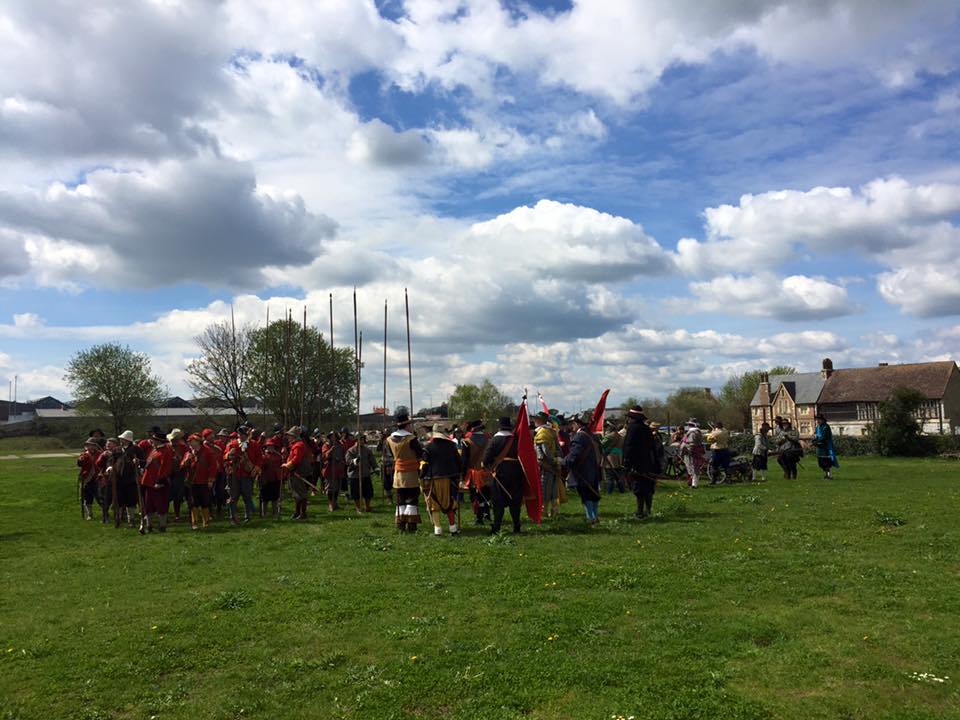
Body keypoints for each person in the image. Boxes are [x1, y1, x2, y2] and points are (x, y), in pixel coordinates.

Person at [482, 416, 525, 534]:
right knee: (515, 501)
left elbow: (486, 459)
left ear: (499, 426)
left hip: (500, 473)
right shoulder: (516, 439)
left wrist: (489, 465)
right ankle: (517, 526)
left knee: (498, 502)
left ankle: (497, 527)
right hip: (516, 472)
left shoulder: (494, 440)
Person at [386, 412, 424, 533]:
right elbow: (420, 454)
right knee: (412, 498)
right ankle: (412, 525)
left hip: (398, 473)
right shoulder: (411, 439)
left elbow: (392, 455)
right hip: (411, 472)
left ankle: (401, 524)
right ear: (406, 426)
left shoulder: (389, 440)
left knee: (400, 499)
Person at [564, 412, 603, 525]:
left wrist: (563, 461)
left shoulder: (580, 436)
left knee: (586, 494)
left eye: (573, 423)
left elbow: (574, 455)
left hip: (584, 470)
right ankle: (595, 516)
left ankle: (590, 518)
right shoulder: (592, 434)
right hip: (594, 469)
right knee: (593, 493)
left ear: (577, 423)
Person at [421, 424, 460, 536]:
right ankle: (452, 527)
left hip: (434, 479)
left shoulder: (428, 448)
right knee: (450, 503)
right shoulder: (452, 445)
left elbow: (424, 464)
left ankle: (437, 529)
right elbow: (458, 461)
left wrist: (422, 477)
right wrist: (459, 475)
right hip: (449, 478)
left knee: (434, 504)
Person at [622, 406, 658, 519]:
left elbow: (629, 446)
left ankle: (640, 512)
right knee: (648, 486)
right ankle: (648, 510)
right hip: (648, 462)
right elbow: (653, 446)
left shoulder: (632, 428)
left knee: (639, 488)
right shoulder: (646, 428)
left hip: (636, 463)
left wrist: (627, 463)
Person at [223, 425, 262, 524]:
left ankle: (248, 517)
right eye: (240, 434)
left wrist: (256, 468)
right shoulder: (232, 444)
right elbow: (225, 456)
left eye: (243, 434)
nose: (241, 436)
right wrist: (229, 455)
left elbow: (259, 459)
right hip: (234, 474)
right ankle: (233, 517)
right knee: (233, 497)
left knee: (247, 496)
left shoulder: (254, 444)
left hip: (247, 475)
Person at [139, 427, 173, 534]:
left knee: (161, 505)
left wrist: (160, 481)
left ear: (158, 441)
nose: (151, 441)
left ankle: (162, 526)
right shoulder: (154, 450)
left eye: (153, 440)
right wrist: (139, 462)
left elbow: (165, 468)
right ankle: (149, 525)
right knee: (149, 505)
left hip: (158, 483)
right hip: (149, 482)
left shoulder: (166, 452)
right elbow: (148, 463)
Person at [181, 433, 217, 529]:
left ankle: (206, 522)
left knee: (205, 502)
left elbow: (213, 466)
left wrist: (210, 479)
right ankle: (194, 522)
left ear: (198, 442)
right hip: (192, 481)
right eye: (189, 442)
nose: (190, 444)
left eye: (192, 442)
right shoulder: (188, 453)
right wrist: (186, 461)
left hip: (204, 481)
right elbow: (182, 466)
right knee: (193, 503)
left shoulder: (208, 452)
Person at [461, 420, 492, 525]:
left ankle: (479, 518)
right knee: (486, 494)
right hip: (487, 472)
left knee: (475, 496)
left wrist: (462, 475)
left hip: (473, 473)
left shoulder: (466, 441)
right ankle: (487, 514)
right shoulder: (489, 440)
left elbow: (464, 461)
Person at [283, 426, 314, 520]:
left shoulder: (298, 445)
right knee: (296, 493)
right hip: (295, 471)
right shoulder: (295, 444)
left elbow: (296, 459)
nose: (289, 437)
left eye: (290, 435)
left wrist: (287, 465)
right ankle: (297, 512)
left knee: (301, 493)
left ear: (294, 436)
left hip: (298, 472)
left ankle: (303, 513)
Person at [533, 412, 561, 518]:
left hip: (545, 465)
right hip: (554, 463)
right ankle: (554, 511)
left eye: (535, 419)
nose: (534, 421)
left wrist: (552, 461)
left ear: (539, 420)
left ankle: (544, 512)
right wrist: (558, 460)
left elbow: (544, 452)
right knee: (553, 489)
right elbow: (558, 449)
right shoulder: (552, 431)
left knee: (545, 489)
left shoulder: (542, 433)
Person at [114, 431, 140, 527]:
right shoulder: (117, 450)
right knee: (119, 499)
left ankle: (131, 519)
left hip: (131, 479)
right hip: (118, 478)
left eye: (123, 439)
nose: (121, 440)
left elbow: (143, 460)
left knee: (131, 500)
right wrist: (109, 467)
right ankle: (119, 517)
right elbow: (111, 460)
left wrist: (138, 462)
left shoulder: (136, 449)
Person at [345, 436, 377, 513]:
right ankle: (358, 507)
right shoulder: (350, 451)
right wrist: (355, 460)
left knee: (368, 492)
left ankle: (367, 506)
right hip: (355, 475)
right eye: (360, 440)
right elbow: (348, 461)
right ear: (356, 440)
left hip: (365, 473)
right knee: (356, 494)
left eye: (363, 440)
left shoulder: (367, 450)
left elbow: (372, 460)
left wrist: (376, 468)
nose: (362, 441)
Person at [259, 435, 285, 518]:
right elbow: (260, 465)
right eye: (269, 446)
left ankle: (275, 513)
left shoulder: (278, 456)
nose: (270, 447)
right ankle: (264, 514)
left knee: (275, 498)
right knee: (264, 498)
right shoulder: (263, 455)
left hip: (275, 479)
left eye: (272, 446)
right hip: (265, 479)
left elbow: (282, 465)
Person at [166, 428, 189, 522]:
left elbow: (187, 458)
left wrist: (181, 460)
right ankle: (165, 515)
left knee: (178, 497)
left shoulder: (184, 447)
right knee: (166, 496)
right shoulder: (167, 447)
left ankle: (177, 515)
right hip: (167, 474)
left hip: (179, 474)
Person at [95, 437, 119, 524]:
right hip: (106, 479)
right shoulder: (103, 454)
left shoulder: (119, 453)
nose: (108, 445)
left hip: (117, 479)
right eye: (107, 444)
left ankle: (119, 516)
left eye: (110, 444)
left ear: (115, 445)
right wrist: (103, 456)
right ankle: (105, 516)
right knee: (105, 499)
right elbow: (98, 464)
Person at [76, 438, 100, 520]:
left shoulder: (100, 454)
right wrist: (80, 460)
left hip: (98, 478)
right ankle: (89, 514)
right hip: (87, 479)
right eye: (89, 445)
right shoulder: (84, 455)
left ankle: (105, 513)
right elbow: (79, 464)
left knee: (100, 497)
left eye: (92, 445)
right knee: (87, 497)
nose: (90, 447)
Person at [322, 431, 346, 511]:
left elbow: (343, 455)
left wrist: (343, 461)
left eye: (334, 436)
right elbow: (325, 456)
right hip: (330, 468)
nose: (333, 438)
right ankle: (330, 504)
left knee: (337, 488)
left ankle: (335, 503)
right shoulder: (326, 445)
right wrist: (331, 450)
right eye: (332, 436)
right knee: (330, 488)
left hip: (338, 468)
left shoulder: (340, 445)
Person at [679, 420, 705, 488]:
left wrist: (687, 450)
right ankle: (693, 483)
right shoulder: (697, 432)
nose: (688, 426)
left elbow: (691, 444)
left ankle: (694, 484)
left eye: (689, 425)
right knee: (694, 467)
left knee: (693, 467)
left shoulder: (693, 433)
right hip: (694, 452)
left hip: (691, 452)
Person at [601, 420, 625, 493]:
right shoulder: (620, 436)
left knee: (610, 477)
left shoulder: (609, 436)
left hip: (610, 457)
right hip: (619, 457)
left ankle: (609, 492)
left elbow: (601, 445)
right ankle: (622, 490)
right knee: (618, 476)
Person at [813, 414, 839, 479]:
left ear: (822, 420)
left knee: (827, 462)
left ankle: (829, 475)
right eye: (817, 420)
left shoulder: (826, 427)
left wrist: (818, 440)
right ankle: (826, 474)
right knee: (821, 462)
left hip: (826, 446)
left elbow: (825, 436)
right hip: (820, 447)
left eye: (819, 419)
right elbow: (816, 435)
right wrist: (814, 441)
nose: (818, 421)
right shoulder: (817, 427)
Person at [378, 429, 395, 503]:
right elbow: (378, 449)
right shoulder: (382, 441)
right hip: (384, 463)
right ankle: (389, 498)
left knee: (393, 481)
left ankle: (396, 497)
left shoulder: (393, 440)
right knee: (385, 482)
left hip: (392, 463)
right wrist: (380, 441)